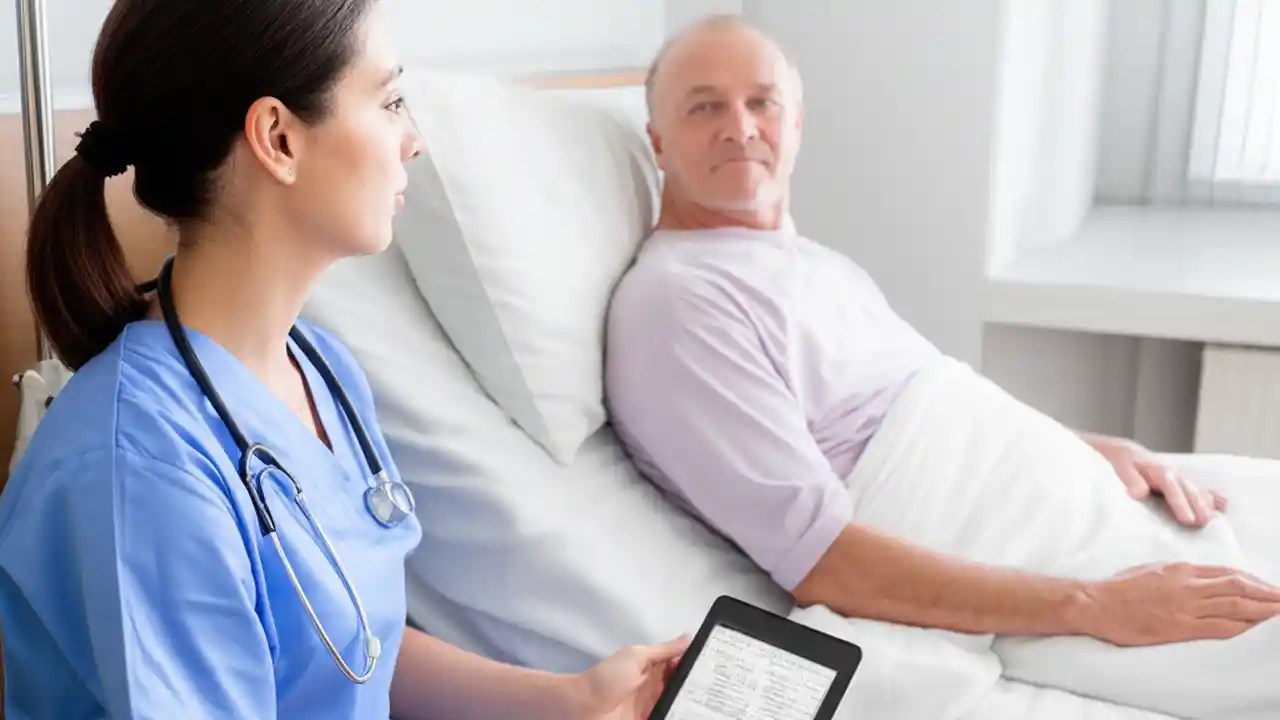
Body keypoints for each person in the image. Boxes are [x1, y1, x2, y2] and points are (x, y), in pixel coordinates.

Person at [0, 1, 685, 718]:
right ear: (277, 138)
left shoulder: (320, 370)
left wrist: (571, 701)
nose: (412, 139)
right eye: (389, 101)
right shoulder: (139, 471)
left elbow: (351, 650)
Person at [606, 15, 1280, 649]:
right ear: (657, 141)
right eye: (704, 107)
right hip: (1032, 567)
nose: (740, 127)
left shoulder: (808, 265)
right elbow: (821, 558)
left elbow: (921, 404)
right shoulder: (679, 304)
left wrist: (1088, 450)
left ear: (798, 125)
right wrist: (1094, 605)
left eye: (763, 102)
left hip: (1068, 499)